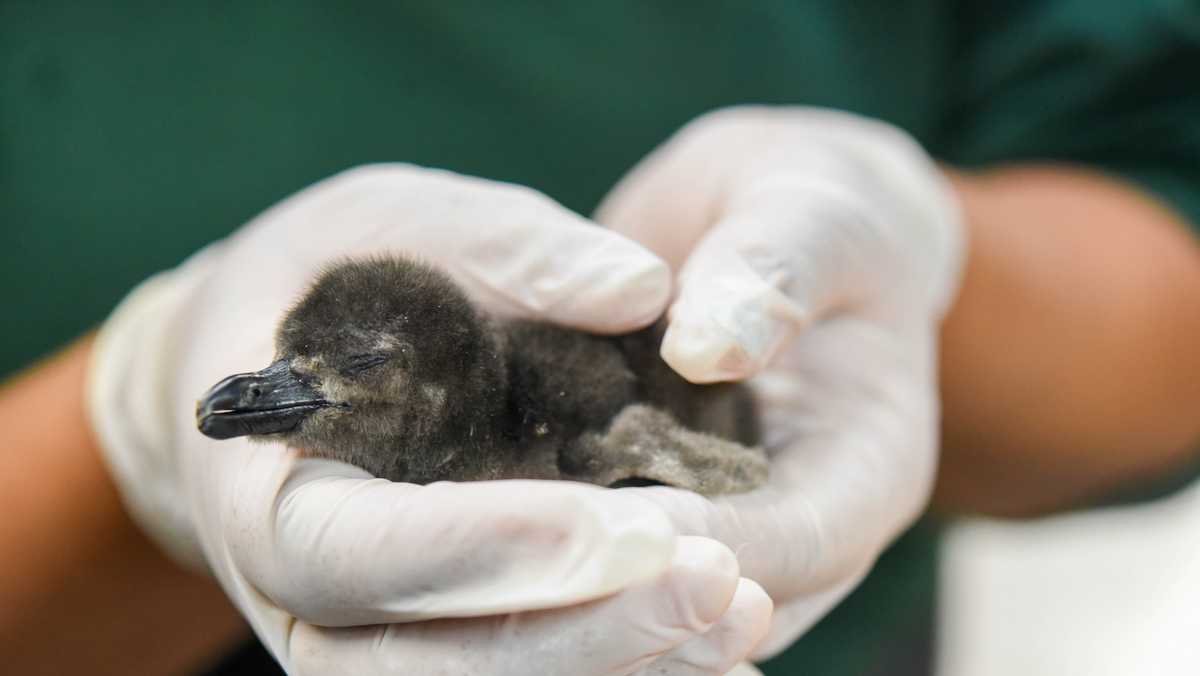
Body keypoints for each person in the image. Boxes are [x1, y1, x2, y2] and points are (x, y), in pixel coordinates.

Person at [2, 3, 1199, 675]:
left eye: (345, 373)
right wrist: (119, 447)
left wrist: (921, 265)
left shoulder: (552, 410)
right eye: (297, 362)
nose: (266, 396)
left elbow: (1160, 191)